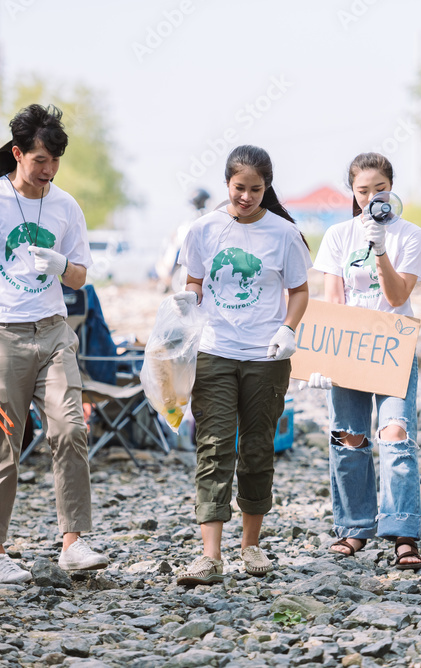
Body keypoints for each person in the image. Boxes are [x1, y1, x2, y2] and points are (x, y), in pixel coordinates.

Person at [0, 104, 108, 584]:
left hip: (54, 331)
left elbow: (80, 277)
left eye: (55, 161)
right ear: (17, 154)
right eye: (40, 160)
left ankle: (73, 543)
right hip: (0, 335)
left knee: (70, 430)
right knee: (4, 443)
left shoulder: (66, 206)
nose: (48, 170)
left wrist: (60, 265)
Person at [172, 145, 311, 585]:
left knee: (257, 447)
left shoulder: (284, 234)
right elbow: (195, 280)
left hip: (266, 356)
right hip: (214, 350)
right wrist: (187, 298)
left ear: (267, 187)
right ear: (226, 184)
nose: (246, 197)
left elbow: (300, 290)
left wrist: (288, 329)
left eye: (256, 189)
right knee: (214, 445)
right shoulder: (203, 230)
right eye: (239, 188)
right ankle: (210, 555)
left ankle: (251, 545)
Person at [308, 152, 421, 570]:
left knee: (396, 434)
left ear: (391, 188)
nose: (372, 197)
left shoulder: (410, 235)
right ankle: (354, 527)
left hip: (393, 345)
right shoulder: (338, 235)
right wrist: (323, 360)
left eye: (380, 189)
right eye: (363, 191)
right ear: (353, 192)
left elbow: (397, 296)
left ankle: (404, 532)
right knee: (348, 438)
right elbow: (333, 300)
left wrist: (380, 251)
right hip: (350, 345)